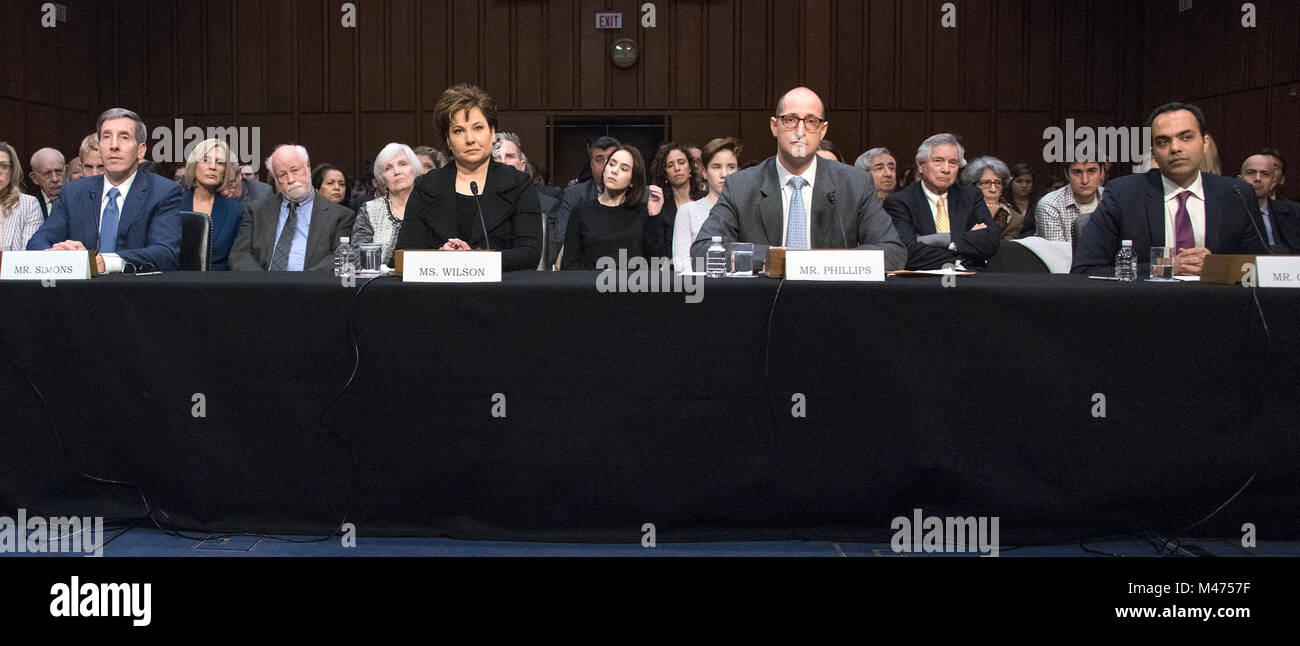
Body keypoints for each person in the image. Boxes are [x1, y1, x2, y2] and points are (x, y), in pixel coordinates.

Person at [690, 87, 905, 269]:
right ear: (774, 126)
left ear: (823, 130)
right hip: (763, 305)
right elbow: (702, 252)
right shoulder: (741, 185)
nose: (800, 131)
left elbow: (894, 252)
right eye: (790, 120)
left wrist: (823, 263)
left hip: (834, 304)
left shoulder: (854, 184)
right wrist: (775, 259)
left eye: (811, 121)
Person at [1072, 103, 1267, 276]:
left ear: (1205, 143)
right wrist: (1164, 268)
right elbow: (1085, 270)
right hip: (1149, 309)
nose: (1175, 148)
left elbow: (1261, 268)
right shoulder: (1123, 194)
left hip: (1221, 308)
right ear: (1154, 151)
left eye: (1186, 137)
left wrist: (1216, 267)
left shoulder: (1237, 194)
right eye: (1163, 142)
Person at [395, 84, 541, 271]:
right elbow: (403, 256)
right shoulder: (426, 187)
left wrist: (474, 260)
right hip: (438, 292)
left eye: (478, 128)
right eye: (458, 131)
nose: (470, 139)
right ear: (448, 140)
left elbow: (529, 254)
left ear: (492, 132)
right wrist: (439, 256)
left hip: (500, 294)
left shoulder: (518, 185)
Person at [27, 108, 183, 273]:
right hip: (79, 293)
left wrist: (102, 262)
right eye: (107, 137)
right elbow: (38, 242)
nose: (114, 145)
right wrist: (57, 256)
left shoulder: (163, 191)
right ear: (100, 148)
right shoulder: (74, 192)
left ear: (140, 150)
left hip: (135, 292)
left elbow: (165, 254)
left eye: (124, 137)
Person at [229, 144, 355, 271]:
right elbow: (240, 254)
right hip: (262, 286)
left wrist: (302, 282)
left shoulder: (340, 216)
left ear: (307, 166)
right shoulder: (256, 211)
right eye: (282, 174)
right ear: (276, 180)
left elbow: (339, 258)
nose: (290, 179)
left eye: (295, 170)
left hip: (313, 287)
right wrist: (263, 282)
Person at [883, 133, 999, 270]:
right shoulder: (900, 202)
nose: (946, 169)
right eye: (938, 161)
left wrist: (943, 240)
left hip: (970, 280)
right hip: (924, 282)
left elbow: (991, 241)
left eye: (953, 162)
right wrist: (962, 256)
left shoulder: (971, 196)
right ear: (920, 166)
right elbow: (907, 251)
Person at [561, 145, 665, 269]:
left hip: (631, 285)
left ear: (632, 181)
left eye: (624, 169)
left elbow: (656, 263)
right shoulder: (581, 211)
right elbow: (568, 266)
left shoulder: (643, 213)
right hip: (590, 285)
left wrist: (654, 216)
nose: (614, 171)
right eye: (611, 164)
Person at [672, 137, 741, 272]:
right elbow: (681, 264)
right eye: (716, 167)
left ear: (739, 171)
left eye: (731, 167)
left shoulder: (746, 210)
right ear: (704, 172)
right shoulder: (688, 211)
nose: (724, 174)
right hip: (701, 287)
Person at [352, 143, 424, 266]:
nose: (396, 171)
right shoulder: (370, 210)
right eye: (388, 168)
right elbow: (358, 259)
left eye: (403, 164)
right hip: (380, 283)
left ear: (415, 169)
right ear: (382, 178)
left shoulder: (432, 205)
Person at [180, 138, 243, 270]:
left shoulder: (236, 210)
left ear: (225, 171)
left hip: (220, 285)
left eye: (220, 163)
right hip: (178, 283)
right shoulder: (172, 206)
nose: (213, 166)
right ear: (193, 165)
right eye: (205, 160)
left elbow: (237, 257)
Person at [554, 135, 619, 253]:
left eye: (612, 160)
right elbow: (562, 239)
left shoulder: (642, 195)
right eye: (599, 160)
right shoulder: (574, 195)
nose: (606, 165)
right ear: (591, 165)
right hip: (586, 266)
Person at [1034, 161, 1105, 244]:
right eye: (1077, 172)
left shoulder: (1113, 199)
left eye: (1091, 171)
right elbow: (1057, 254)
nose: (1085, 180)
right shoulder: (1050, 205)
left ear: (1101, 171)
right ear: (1067, 174)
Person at [1240, 151, 1298, 252]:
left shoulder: (1294, 213)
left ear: (1273, 183)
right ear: (1239, 180)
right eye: (1251, 172)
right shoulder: (1225, 213)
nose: (1257, 178)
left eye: (1265, 174)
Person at [651, 142, 705, 243]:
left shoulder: (705, 198)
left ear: (690, 167)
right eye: (670, 165)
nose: (677, 168)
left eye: (681, 162)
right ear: (665, 173)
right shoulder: (660, 205)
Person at [962, 156, 1022, 240]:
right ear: (972, 186)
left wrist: (989, 218)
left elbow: (1001, 250)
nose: (993, 190)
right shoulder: (957, 210)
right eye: (985, 183)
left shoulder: (1014, 219)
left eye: (998, 183)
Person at [0, 142, 43, 251]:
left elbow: (28, 255)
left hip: (14, 267)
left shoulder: (28, 204)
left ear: (12, 170)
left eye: (4, 166)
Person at [26, 147, 65, 219]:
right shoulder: (27, 206)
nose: (55, 179)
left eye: (58, 171)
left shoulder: (79, 200)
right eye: (47, 174)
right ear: (35, 178)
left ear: (66, 171)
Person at [1004, 162, 1037, 236]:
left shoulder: (1038, 204)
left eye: (1028, 181)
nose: (1024, 185)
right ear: (1010, 183)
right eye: (1019, 181)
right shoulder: (1002, 203)